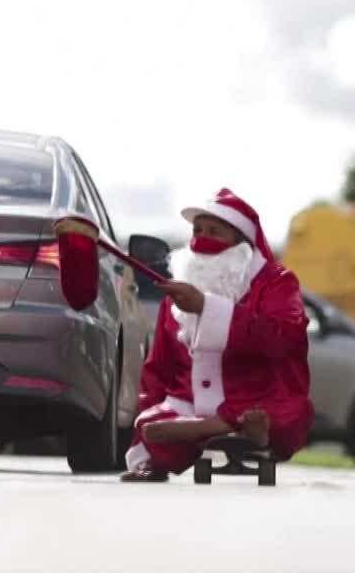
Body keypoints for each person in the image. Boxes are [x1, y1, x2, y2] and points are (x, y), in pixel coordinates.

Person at [121, 188, 314, 482]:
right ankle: (221, 427)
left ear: (241, 243)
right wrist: (148, 414)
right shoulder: (177, 295)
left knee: (286, 413)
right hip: (190, 400)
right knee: (152, 423)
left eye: (214, 231)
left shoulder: (277, 283)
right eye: (197, 230)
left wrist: (207, 307)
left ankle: (225, 426)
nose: (201, 240)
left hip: (257, 395)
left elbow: (282, 339)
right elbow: (158, 368)